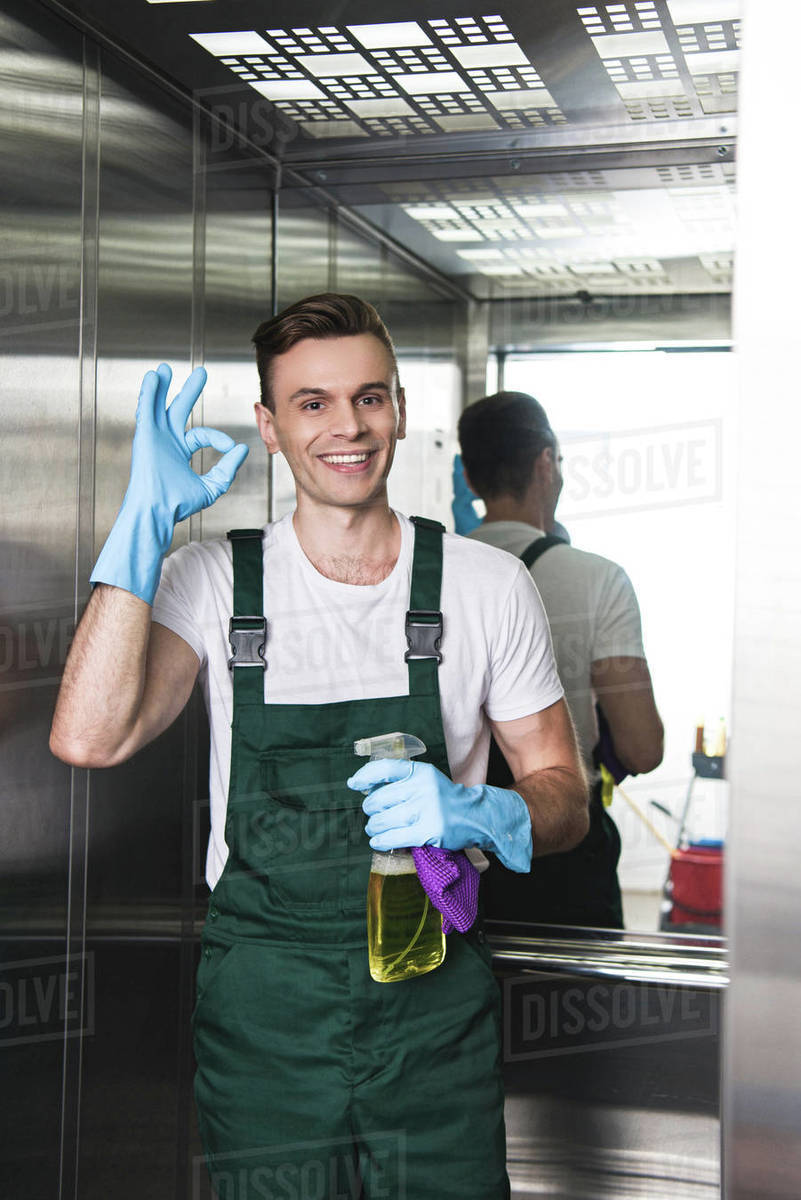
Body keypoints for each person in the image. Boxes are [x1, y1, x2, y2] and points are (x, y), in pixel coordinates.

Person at [50, 296, 589, 1200]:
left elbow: (564, 795)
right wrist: (140, 523)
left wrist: (491, 813)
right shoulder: (212, 580)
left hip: (432, 1009)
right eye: (311, 403)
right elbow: (88, 736)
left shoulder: (485, 586)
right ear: (268, 425)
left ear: (400, 411)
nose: (347, 426)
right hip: (266, 1019)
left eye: (368, 398)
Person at [457, 390, 663, 930]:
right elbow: (642, 747)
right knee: (570, 1010)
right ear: (545, 462)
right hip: (565, 855)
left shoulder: (429, 574)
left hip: (456, 860)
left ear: (472, 478)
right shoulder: (598, 579)